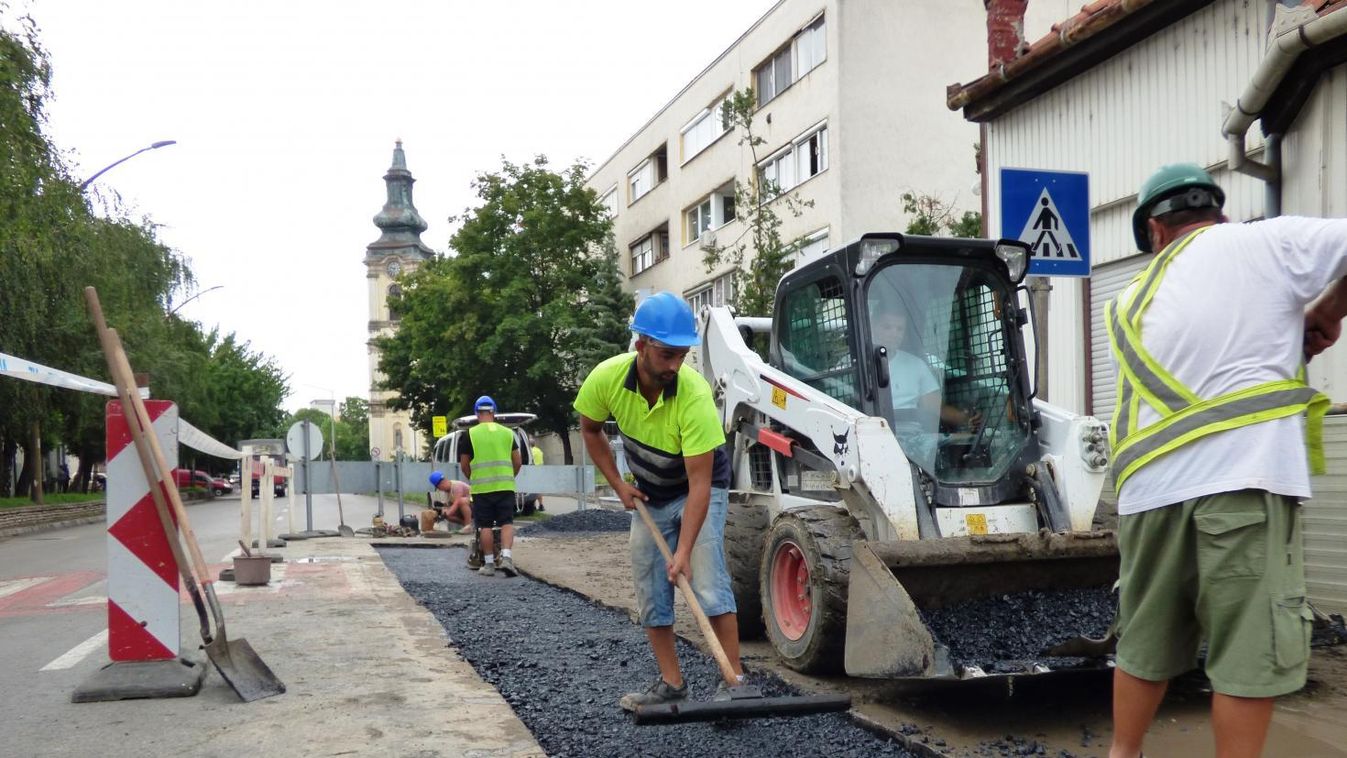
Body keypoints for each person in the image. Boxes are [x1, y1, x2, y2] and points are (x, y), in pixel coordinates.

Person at [1106, 163, 1347, 758]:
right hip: (1243, 481)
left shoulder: (1129, 300)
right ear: (1218, 212)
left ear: (1155, 233)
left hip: (1146, 498)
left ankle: (1121, 753)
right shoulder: (1263, 243)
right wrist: (1330, 310)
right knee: (1245, 655)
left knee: (1143, 646)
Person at [573, 290, 744, 711]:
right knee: (650, 584)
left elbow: (701, 484)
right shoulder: (606, 379)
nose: (674, 366)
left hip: (698, 488)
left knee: (706, 579)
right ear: (641, 346)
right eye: (667, 355)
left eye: (681, 356)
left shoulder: (694, 395)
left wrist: (684, 550)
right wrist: (618, 485)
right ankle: (672, 683)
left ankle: (735, 682)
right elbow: (590, 429)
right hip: (650, 492)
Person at [870, 306, 981, 469]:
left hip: (913, 435)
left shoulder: (915, 365)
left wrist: (968, 420)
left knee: (973, 441)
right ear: (872, 326)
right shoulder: (854, 365)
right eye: (887, 327)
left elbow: (937, 408)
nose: (894, 333)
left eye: (899, 329)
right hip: (871, 435)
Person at [458, 395, 521, 577]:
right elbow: (517, 461)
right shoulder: (508, 433)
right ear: (494, 412)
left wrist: (474, 478)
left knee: (484, 525)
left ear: (477, 413)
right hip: (505, 486)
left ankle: (489, 564)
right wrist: (509, 477)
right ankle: (507, 558)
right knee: (506, 522)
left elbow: (464, 464)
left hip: (482, 489)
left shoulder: (469, 434)